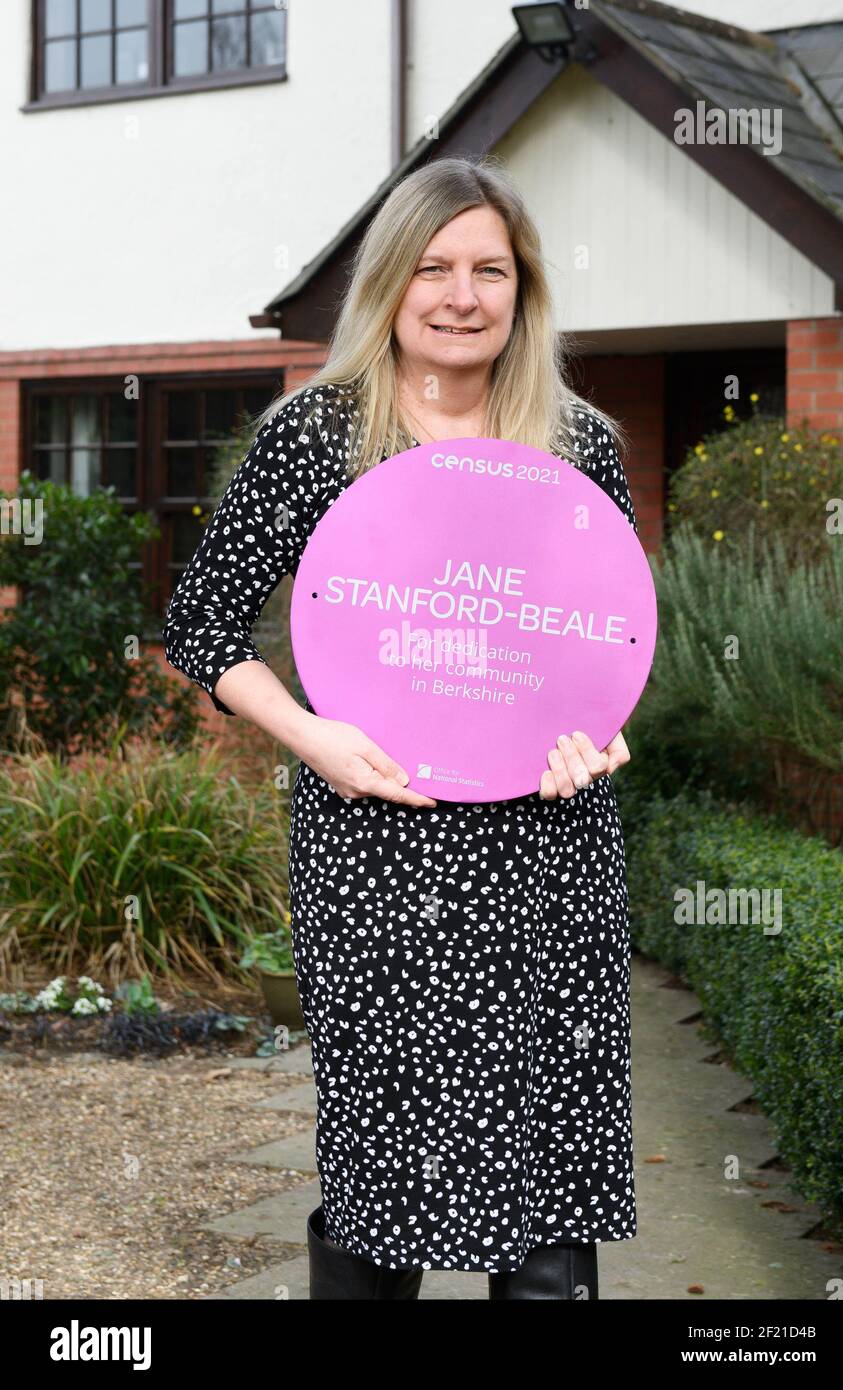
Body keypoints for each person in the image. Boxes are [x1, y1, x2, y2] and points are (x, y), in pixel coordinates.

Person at [163, 155, 638, 1300]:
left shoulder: (577, 445)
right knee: (383, 1164)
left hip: (543, 850)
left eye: (488, 268)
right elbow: (201, 624)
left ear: (522, 289)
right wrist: (312, 736)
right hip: (378, 847)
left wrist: (604, 732)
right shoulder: (316, 436)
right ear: (389, 282)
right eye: (432, 268)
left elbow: (606, 643)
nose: (461, 295)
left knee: (543, 1158)